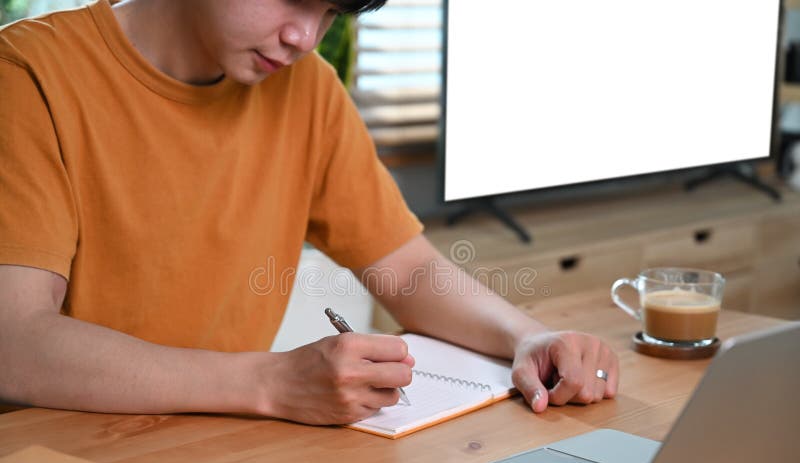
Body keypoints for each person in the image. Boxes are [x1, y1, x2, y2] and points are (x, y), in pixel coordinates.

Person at [0, 0, 619, 425]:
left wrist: (524, 336)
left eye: (328, 12)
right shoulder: (30, 75)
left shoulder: (308, 89)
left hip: (223, 454)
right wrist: (272, 384)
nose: (305, 36)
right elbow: (15, 343)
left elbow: (405, 271)